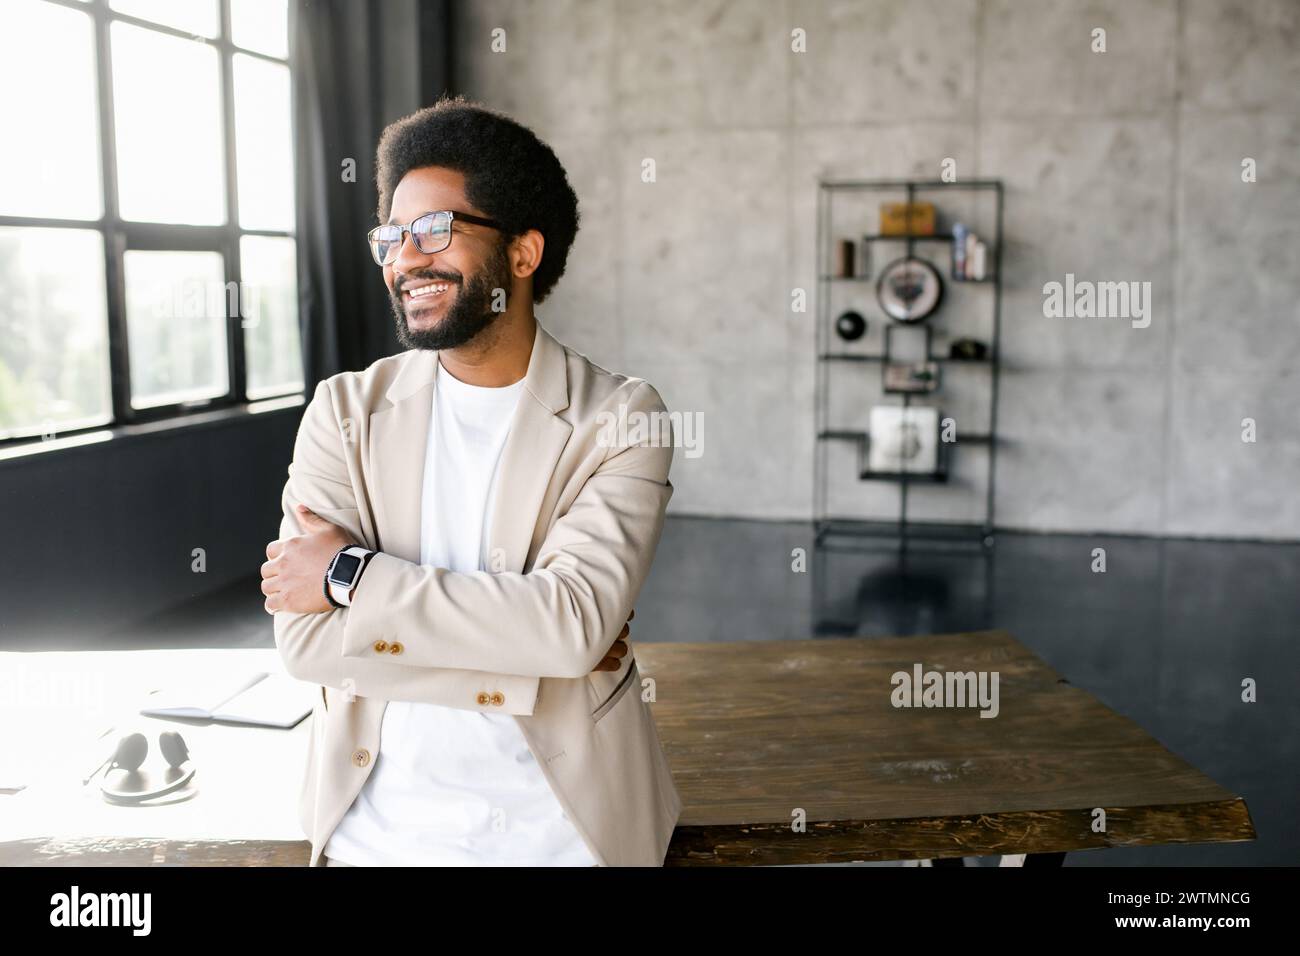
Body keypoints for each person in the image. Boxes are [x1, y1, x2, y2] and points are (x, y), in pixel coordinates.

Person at [259, 95, 681, 867]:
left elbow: (570, 626)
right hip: (371, 839)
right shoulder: (344, 411)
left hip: (566, 840)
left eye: (433, 232)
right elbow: (308, 645)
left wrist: (349, 577)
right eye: (390, 237)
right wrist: (538, 645)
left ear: (522, 254)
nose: (404, 259)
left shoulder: (624, 418)